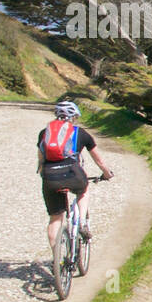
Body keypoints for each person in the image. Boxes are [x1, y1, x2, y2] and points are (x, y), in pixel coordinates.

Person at [38, 100, 113, 250]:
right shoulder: (80, 133)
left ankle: (57, 259)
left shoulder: (44, 133)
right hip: (72, 174)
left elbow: (40, 161)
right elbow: (98, 160)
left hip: (50, 177)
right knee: (83, 190)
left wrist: (46, 175)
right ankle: (82, 224)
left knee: (55, 219)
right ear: (73, 117)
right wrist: (107, 173)